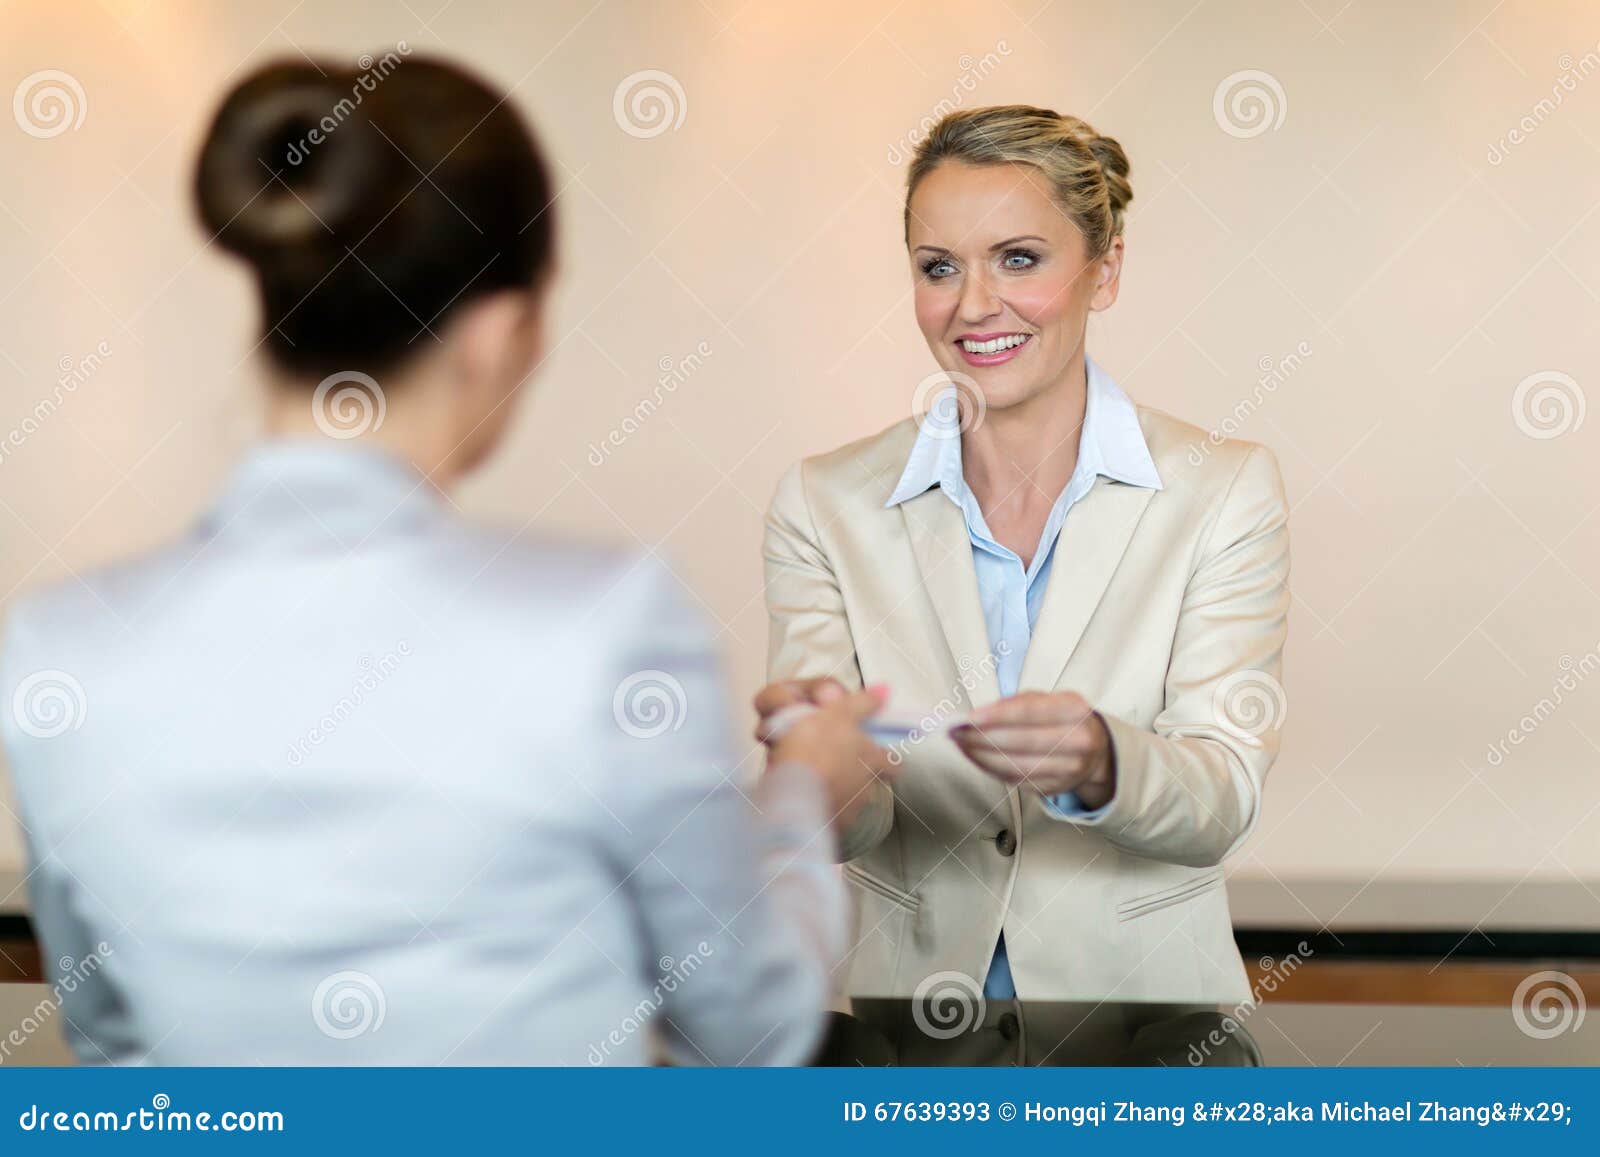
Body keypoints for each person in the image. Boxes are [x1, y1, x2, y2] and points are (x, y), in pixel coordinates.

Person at [0, 55, 893, 1065]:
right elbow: (751, 1028)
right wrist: (800, 799)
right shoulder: (608, 621)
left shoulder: (55, 649)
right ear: (500, 331)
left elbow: (114, 1039)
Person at [756, 106, 1290, 1004]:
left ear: (1105, 267)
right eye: (939, 268)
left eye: (1019, 258)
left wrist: (1099, 761)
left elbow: (1222, 796)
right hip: (909, 1035)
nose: (972, 305)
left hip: (1149, 1037)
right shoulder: (823, 501)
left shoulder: (1223, 490)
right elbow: (850, 820)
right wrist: (817, 777)